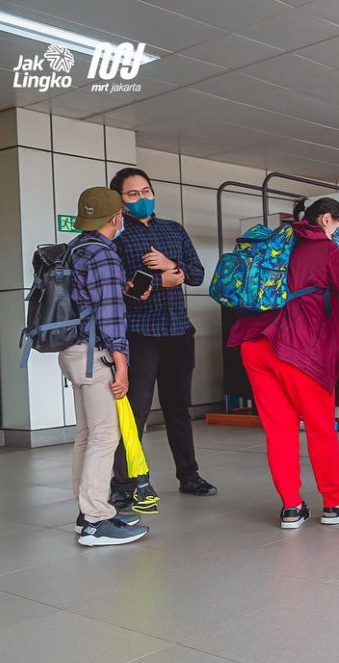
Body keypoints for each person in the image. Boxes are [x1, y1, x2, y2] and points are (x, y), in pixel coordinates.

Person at [228, 198, 339, 528]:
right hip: (298, 349)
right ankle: (335, 504)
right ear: (326, 219)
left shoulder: (277, 241)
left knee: (279, 431)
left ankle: (291, 508)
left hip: (255, 345)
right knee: (321, 429)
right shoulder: (325, 249)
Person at [109, 167, 216, 507]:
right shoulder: (118, 238)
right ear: (121, 201)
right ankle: (124, 483)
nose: (142, 198)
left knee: (179, 409)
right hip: (140, 335)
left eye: (146, 191)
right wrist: (159, 282)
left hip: (178, 332)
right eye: (133, 194)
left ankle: (189, 475)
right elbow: (119, 291)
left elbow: (197, 275)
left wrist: (171, 265)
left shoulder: (173, 229)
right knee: (136, 411)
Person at [61, 187, 148, 546]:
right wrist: (122, 364)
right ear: (116, 217)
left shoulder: (75, 249)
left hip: (71, 352)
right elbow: (111, 316)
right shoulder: (104, 255)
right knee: (104, 436)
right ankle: (97, 521)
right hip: (94, 354)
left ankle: (87, 512)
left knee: (86, 434)